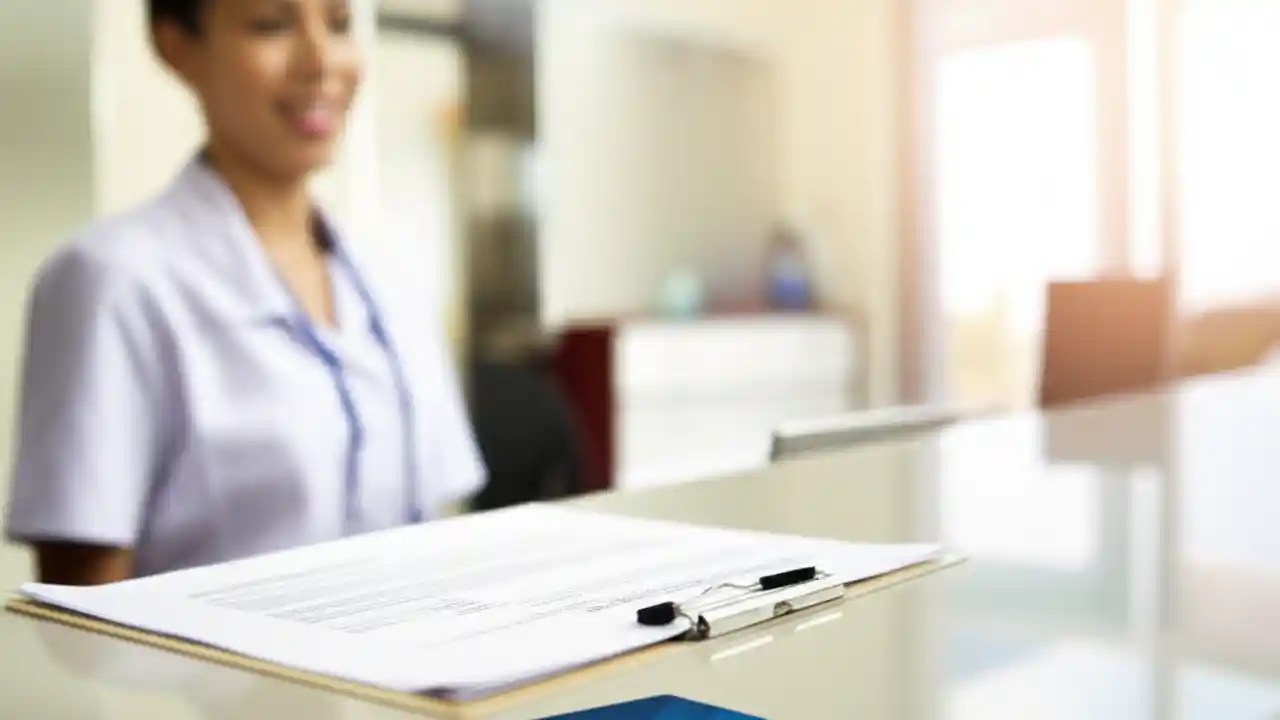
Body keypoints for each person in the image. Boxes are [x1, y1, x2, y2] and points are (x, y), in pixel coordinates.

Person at [2, 0, 484, 585]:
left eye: (338, 25)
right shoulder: (111, 282)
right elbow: (83, 612)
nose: (321, 61)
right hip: (198, 681)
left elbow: (437, 529)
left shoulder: (390, 278)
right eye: (271, 25)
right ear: (175, 45)